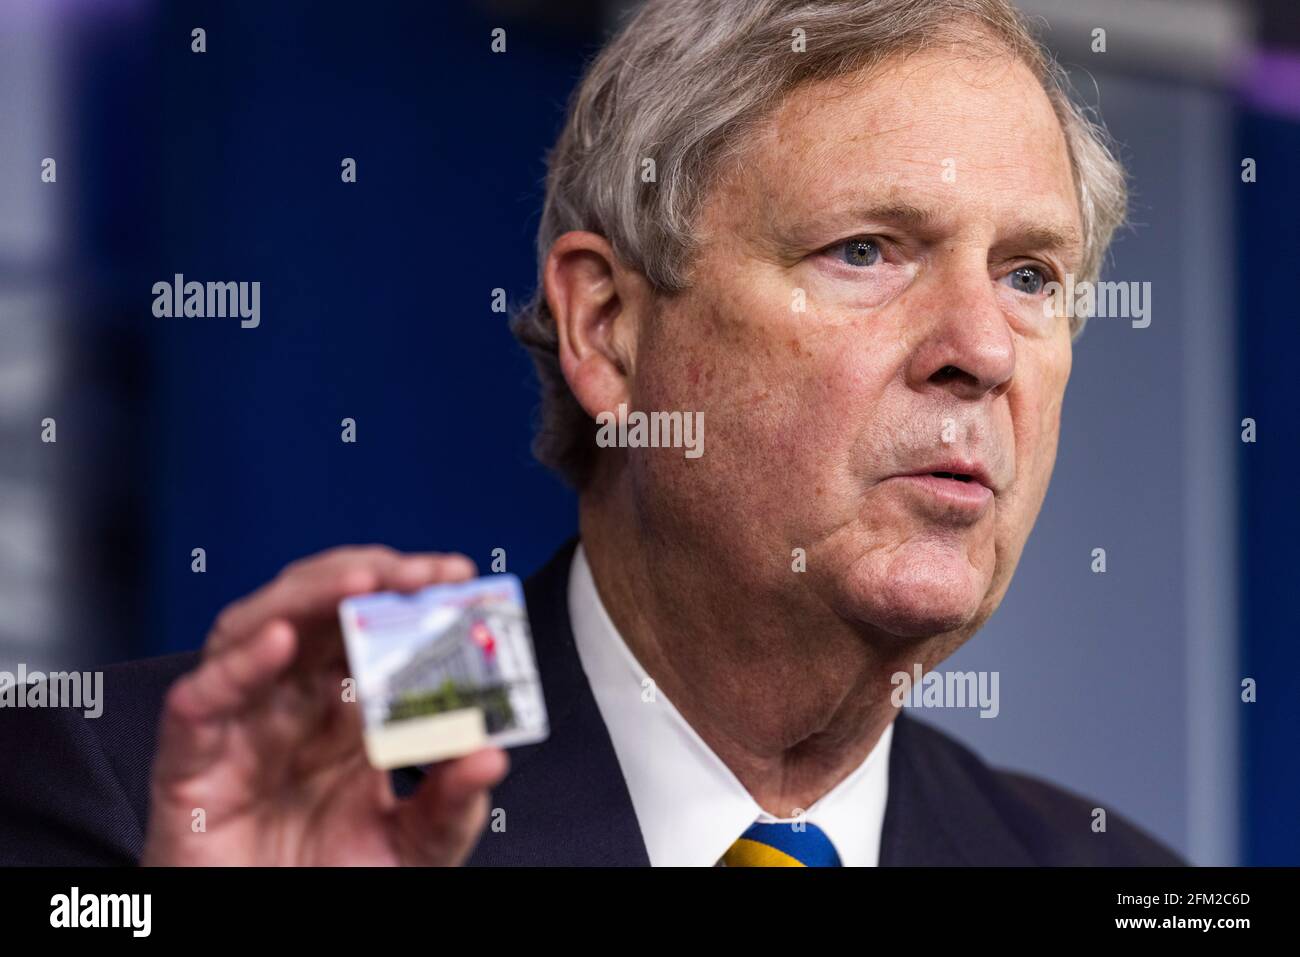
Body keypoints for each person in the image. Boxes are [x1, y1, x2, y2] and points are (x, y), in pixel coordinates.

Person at [0, 0, 1184, 867]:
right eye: (864, 250)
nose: (979, 349)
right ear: (609, 331)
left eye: (1031, 277)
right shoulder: (152, 786)